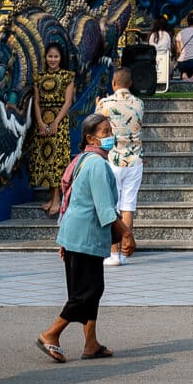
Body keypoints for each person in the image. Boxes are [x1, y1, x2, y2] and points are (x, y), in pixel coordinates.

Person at [37, 113, 123, 363]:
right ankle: (50, 334)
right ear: (90, 138)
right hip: (84, 237)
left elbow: (71, 201)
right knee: (88, 291)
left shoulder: (83, 160)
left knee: (88, 291)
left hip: (79, 236)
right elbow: (104, 207)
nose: (110, 136)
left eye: (110, 131)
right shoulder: (96, 164)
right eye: (105, 132)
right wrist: (125, 234)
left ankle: (91, 343)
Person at [98, 67, 144, 266]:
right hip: (134, 160)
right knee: (128, 206)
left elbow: (96, 125)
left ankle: (113, 253)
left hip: (113, 159)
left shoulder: (105, 104)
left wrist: (97, 105)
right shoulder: (139, 103)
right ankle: (125, 253)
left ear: (114, 84)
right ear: (131, 84)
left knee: (111, 205)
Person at [30, 41, 75, 216]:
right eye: (50, 56)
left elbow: (68, 102)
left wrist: (56, 122)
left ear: (61, 58)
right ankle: (52, 197)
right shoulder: (38, 77)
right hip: (43, 121)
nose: (53, 59)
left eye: (56, 56)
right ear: (45, 57)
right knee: (46, 161)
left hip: (60, 120)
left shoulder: (67, 76)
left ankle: (57, 199)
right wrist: (40, 122)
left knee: (57, 159)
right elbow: (37, 102)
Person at [149, 17, 173, 92]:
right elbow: (169, 48)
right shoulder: (167, 35)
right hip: (165, 60)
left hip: (154, 59)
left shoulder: (152, 35)